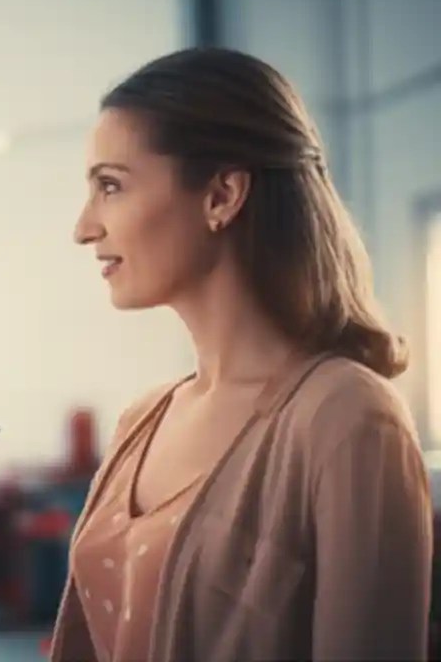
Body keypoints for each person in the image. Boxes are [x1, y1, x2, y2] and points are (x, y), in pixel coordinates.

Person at [50, 47, 433, 662]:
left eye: (111, 186)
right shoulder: (142, 420)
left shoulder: (348, 418)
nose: (83, 227)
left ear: (222, 195)